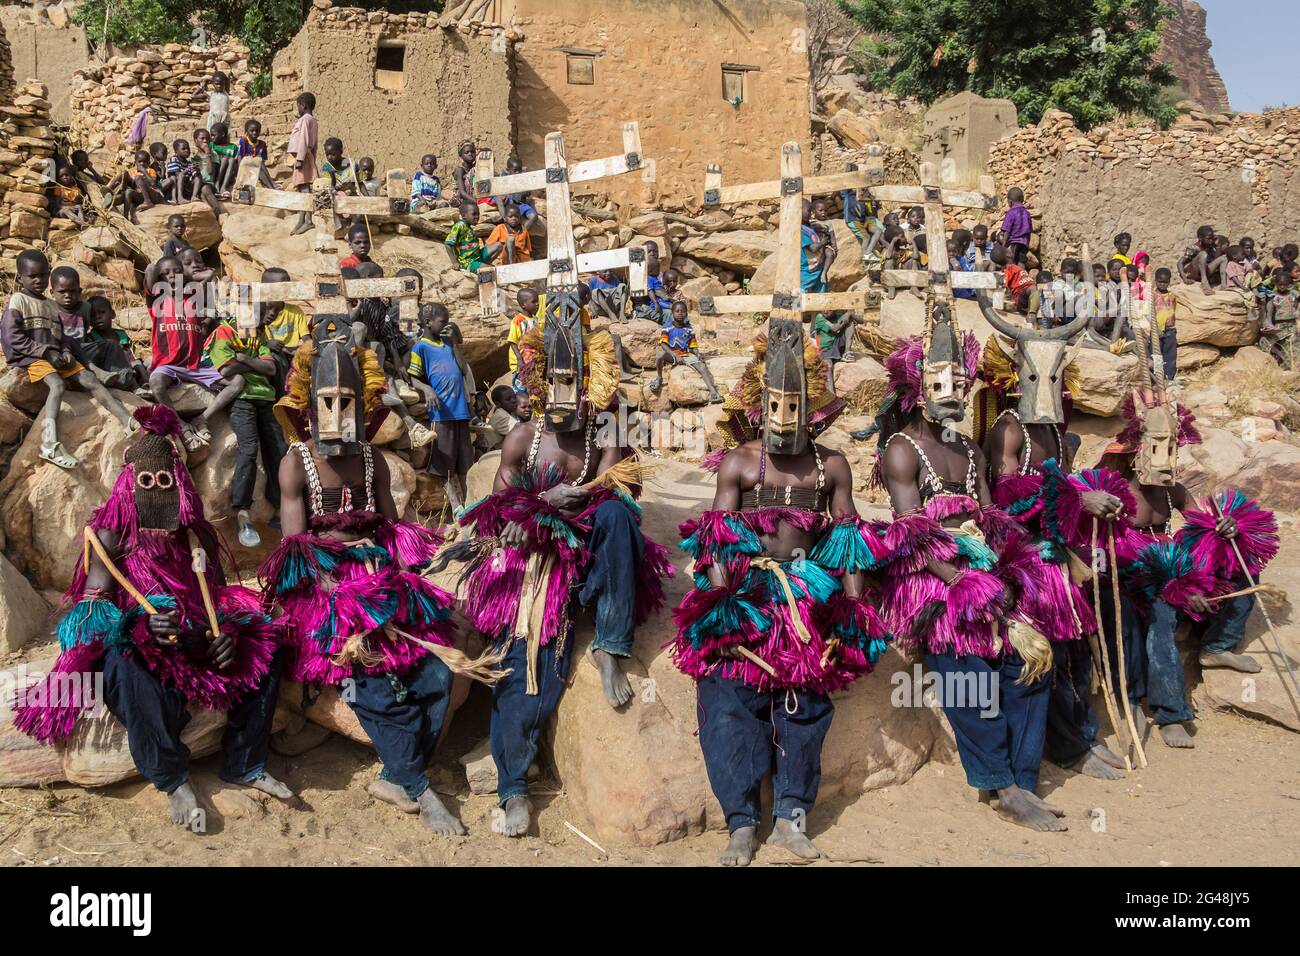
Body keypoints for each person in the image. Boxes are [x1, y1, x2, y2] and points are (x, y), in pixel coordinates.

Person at [264, 318, 500, 834]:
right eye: (327, 403)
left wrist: (407, 562)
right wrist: (340, 579)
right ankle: (417, 786)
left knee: (438, 670)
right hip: (324, 589)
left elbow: (395, 529)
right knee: (373, 673)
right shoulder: (295, 462)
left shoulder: (374, 461)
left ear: (364, 406)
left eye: (347, 403)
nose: (337, 415)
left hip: (381, 578)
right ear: (309, 406)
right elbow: (294, 547)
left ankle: (396, 775)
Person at [669, 319, 889, 865]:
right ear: (760, 402)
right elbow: (717, 539)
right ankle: (741, 820)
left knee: (806, 697)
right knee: (728, 693)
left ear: (811, 407)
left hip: (804, 592)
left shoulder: (831, 465)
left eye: (794, 407)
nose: (782, 419)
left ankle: (792, 813)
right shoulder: (741, 461)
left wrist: (852, 611)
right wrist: (725, 609)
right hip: (744, 589)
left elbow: (848, 539)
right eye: (774, 406)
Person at [450, 307, 673, 838]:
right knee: (527, 667)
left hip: (595, 565)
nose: (564, 394)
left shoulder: (606, 430)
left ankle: (612, 647)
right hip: (541, 571)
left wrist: (581, 496)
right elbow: (500, 516)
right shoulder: (523, 439)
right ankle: (513, 788)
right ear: (538, 381)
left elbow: (618, 487)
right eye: (554, 382)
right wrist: (537, 507)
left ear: (591, 383)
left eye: (574, 382)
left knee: (619, 515)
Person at [13, 404, 290, 827]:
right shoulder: (109, 536)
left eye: (165, 481)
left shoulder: (197, 537)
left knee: (264, 648)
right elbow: (88, 618)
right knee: (124, 667)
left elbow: (213, 598)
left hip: (190, 637)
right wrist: (138, 626)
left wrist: (223, 635)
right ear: (129, 486)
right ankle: (172, 776)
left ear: (180, 485)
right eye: (146, 482)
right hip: (137, 645)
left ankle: (245, 761)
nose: (156, 490)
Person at [875, 302, 1064, 831]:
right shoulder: (901, 450)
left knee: (1031, 659)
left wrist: (1014, 572)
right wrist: (960, 580)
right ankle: (999, 786)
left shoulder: (970, 451)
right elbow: (912, 531)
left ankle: (1023, 779)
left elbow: (993, 516)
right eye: (940, 381)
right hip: (934, 577)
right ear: (917, 384)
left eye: (960, 380)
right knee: (968, 673)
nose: (953, 391)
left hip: (982, 568)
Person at [975, 295, 1130, 781]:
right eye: (1035, 376)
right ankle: (1068, 747)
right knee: (1051, 655)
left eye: (1054, 377)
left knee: (1075, 651)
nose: (1045, 388)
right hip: (1022, 565)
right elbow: (1005, 503)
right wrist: (1076, 503)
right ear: (1018, 374)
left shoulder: (1060, 435)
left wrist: (1092, 502)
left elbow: (1059, 491)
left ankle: (1079, 737)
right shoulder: (1009, 429)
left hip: (1057, 558)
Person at [1095, 378, 1269, 750]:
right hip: (1136, 568)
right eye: (1156, 448)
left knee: (1242, 564)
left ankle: (1218, 644)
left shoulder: (1171, 487)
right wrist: (1180, 587)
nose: (1165, 457)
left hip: (1173, 558)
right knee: (1162, 613)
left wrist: (1225, 529)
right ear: (1136, 450)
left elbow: (1198, 520)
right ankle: (1170, 712)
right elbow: (1110, 548)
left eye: (1171, 448)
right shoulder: (1115, 485)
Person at [1, 251, 134, 469]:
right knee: (57, 384)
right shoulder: (18, 300)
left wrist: (64, 352)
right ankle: (49, 443)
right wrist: (46, 352)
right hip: (31, 357)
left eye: (43, 275)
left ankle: (127, 420)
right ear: (20, 277)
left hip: (53, 356)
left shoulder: (51, 306)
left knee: (90, 379)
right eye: (32, 276)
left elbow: (61, 336)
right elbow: (12, 337)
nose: (38, 280)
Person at [209, 298, 286, 548]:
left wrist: (245, 360)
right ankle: (243, 511)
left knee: (279, 449)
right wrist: (255, 365)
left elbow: (271, 369)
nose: (255, 320)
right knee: (249, 448)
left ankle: (280, 507)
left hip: (265, 396)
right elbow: (226, 370)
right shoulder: (224, 331)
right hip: (242, 399)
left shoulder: (256, 334)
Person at [145, 256, 225, 449]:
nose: (172, 275)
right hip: (168, 365)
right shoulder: (157, 300)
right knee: (155, 384)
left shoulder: (194, 296)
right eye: (166, 273)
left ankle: (201, 419)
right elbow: (149, 269)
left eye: (176, 271)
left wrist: (186, 277)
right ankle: (181, 425)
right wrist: (160, 272)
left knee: (237, 382)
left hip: (194, 365)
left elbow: (210, 273)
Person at [408, 303, 476, 509]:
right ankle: (456, 507)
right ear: (428, 323)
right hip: (441, 414)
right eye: (442, 322)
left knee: (465, 462)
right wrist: (427, 390)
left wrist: (455, 343)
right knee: (444, 463)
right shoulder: (420, 347)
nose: (446, 326)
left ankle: (470, 503)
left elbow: (464, 369)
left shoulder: (448, 343)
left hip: (460, 412)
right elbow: (413, 378)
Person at [650, 299, 721, 402]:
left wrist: (698, 354)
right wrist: (675, 355)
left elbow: (693, 347)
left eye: (683, 311)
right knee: (659, 354)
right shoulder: (667, 327)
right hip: (672, 355)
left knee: (702, 366)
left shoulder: (689, 329)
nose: (680, 313)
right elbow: (664, 345)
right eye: (677, 311)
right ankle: (659, 378)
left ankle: (713, 392)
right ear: (672, 313)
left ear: (686, 313)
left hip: (685, 355)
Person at [84, 295, 149, 392]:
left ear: (112, 314)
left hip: (131, 367)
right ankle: (136, 388)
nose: (97, 317)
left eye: (102, 312)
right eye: (92, 315)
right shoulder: (91, 338)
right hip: (112, 370)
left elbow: (133, 353)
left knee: (139, 362)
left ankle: (146, 384)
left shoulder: (121, 334)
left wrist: (135, 362)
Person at [288, 92, 319, 236]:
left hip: (303, 158)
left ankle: (308, 220)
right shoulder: (312, 120)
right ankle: (302, 219)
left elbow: (304, 140)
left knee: (305, 189)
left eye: (298, 106)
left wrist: (300, 159)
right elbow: (315, 146)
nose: (297, 109)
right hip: (306, 157)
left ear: (303, 105)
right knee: (302, 188)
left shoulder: (306, 120)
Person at [445, 201, 500, 273]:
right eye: (474, 214)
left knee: (499, 245)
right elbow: (447, 244)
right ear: (464, 216)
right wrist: (455, 263)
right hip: (468, 262)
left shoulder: (469, 227)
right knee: (492, 270)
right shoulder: (459, 226)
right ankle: (481, 268)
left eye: (478, 214)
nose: (477, 217)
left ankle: (483, 265)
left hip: (477, 257)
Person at [1261, 267, 1300, 370]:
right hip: (1278, 327)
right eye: (1280, 284)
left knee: (1294, 350)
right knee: (1264, 343)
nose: (1282, 286)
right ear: (1276, 284)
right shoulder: (1272, 296)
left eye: (1285, 284)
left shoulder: (1294, 293)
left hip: (1292, 327)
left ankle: (1288, 366)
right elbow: (1268, 314)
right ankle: (1276, 360)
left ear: (1289, 284)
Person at [471, 384, 520, 453]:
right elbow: (521, 431)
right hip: (489, 455)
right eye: (508, 399)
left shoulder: (508, 412)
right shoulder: (501, 415)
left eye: (514, 397)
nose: (513, 400)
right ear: (498, 404)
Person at [998, 187, 1032, 265]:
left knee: (1012, 262)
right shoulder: (1027, 213)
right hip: (1025, 243)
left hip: (1015, 242)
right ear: (1022, 199)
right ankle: (1023, 276)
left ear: (1010, 202)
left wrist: (1003, 246)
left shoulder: (1011, 213)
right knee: (1021, 262)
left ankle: (1012, 276)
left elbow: (1007, 231)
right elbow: (1029, 230)